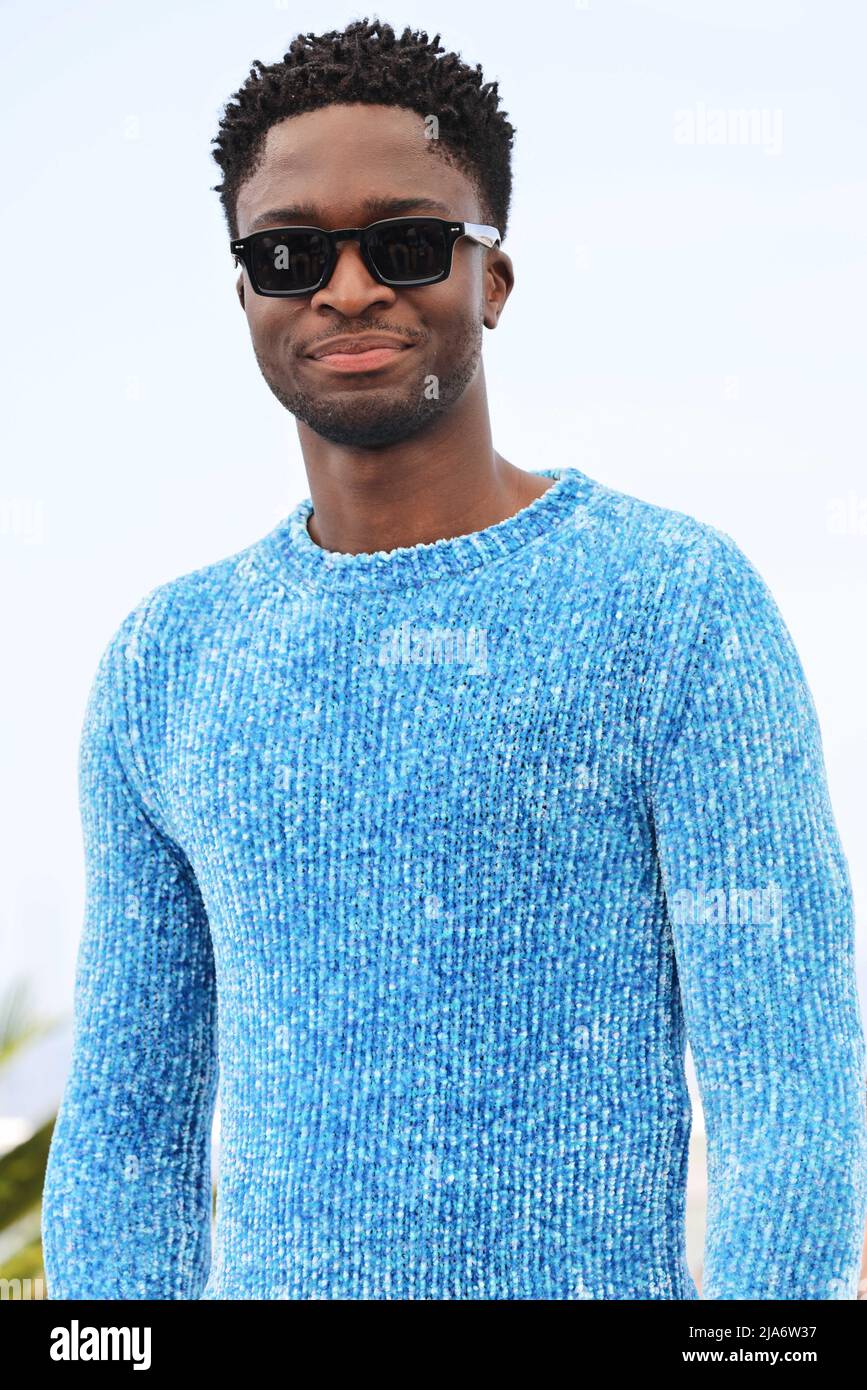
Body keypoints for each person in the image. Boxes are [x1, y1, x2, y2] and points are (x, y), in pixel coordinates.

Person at [41, 18, 867, 1300]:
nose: (350, 288)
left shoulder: (671, 604)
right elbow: (126, 1130)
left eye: (409, 242)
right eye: (290, 252)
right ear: (246, 290)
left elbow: (787, 1073)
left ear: (492, 277)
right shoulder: (168, 661)